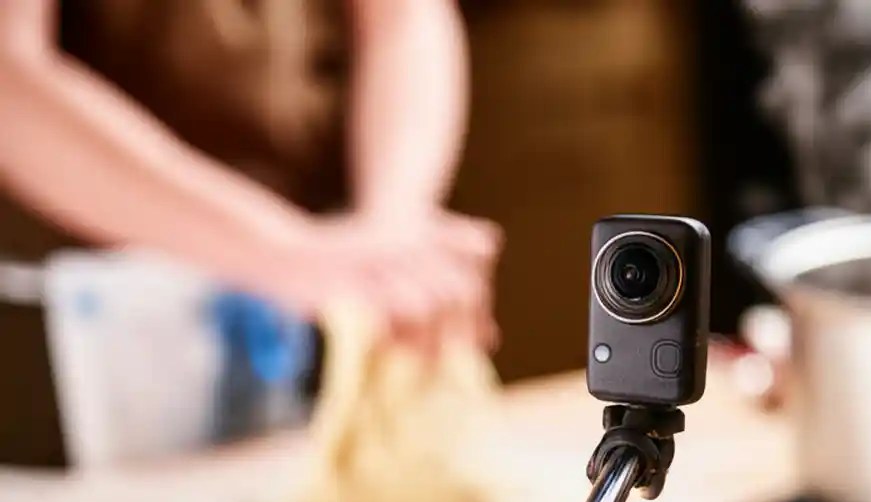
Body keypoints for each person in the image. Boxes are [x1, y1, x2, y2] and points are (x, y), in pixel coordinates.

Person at [0, 0, 499, 465]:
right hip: (71, 313)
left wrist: (394, 229)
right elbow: (10, 76)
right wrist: (285, 254)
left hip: (310, 270)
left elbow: (403, 20)